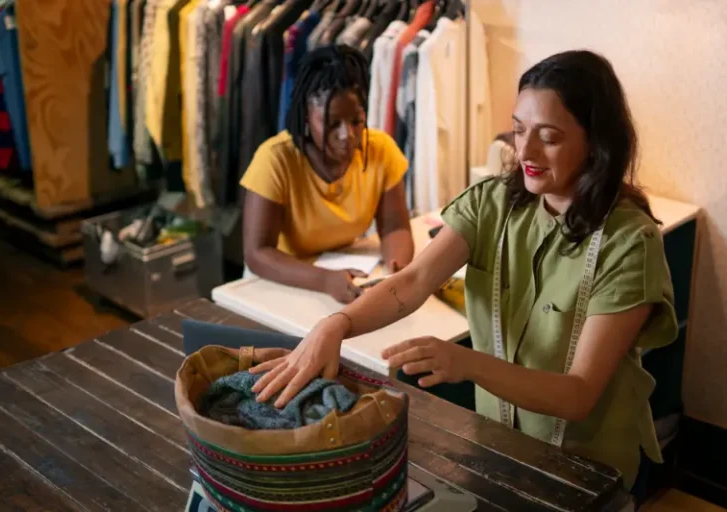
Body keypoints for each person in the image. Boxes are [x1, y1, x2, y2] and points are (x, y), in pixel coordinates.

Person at [246, 50, 678, 492]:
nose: (525, 151)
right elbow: (412, 281)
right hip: (499, 448)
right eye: (519, 130)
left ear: (596, 142)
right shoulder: (492, 203)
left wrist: (465, 362)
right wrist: (335, 325)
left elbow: (578, 394)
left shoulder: (629, 243)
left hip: (590, 470)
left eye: (548, 137)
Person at [240, 44, 414, 304]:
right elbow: (258, 253)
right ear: (306, 118)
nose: (347, 135)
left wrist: (397, 270)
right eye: (333, 124)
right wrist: (324, 280)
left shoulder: (380, 150)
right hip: (281, 282)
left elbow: (395, 228)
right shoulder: (275, 159)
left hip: (343, 277)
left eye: (356, 121)